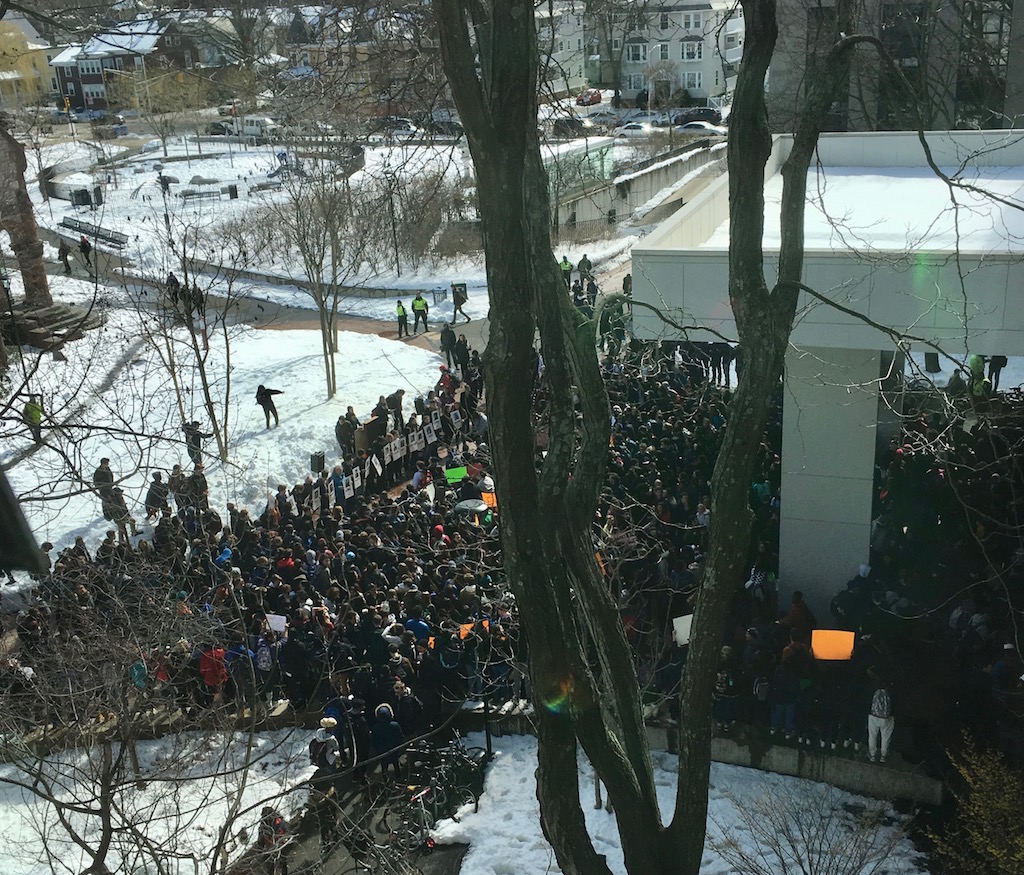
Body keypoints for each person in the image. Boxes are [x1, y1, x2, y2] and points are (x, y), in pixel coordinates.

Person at [867, 676, 894, 763]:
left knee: (872, 735)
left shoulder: (874, 691)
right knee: (886, 737)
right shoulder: (891, 692)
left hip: (873, 716)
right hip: (887, 718)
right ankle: (884, 755)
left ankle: (872, 755)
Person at [257, 806, 291, 875]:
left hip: (279, 845)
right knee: (277, 866)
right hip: (272, 848)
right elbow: (260, 842)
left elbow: (287, 831)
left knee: (281, 864)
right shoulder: (264, 826)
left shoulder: (277, 821)